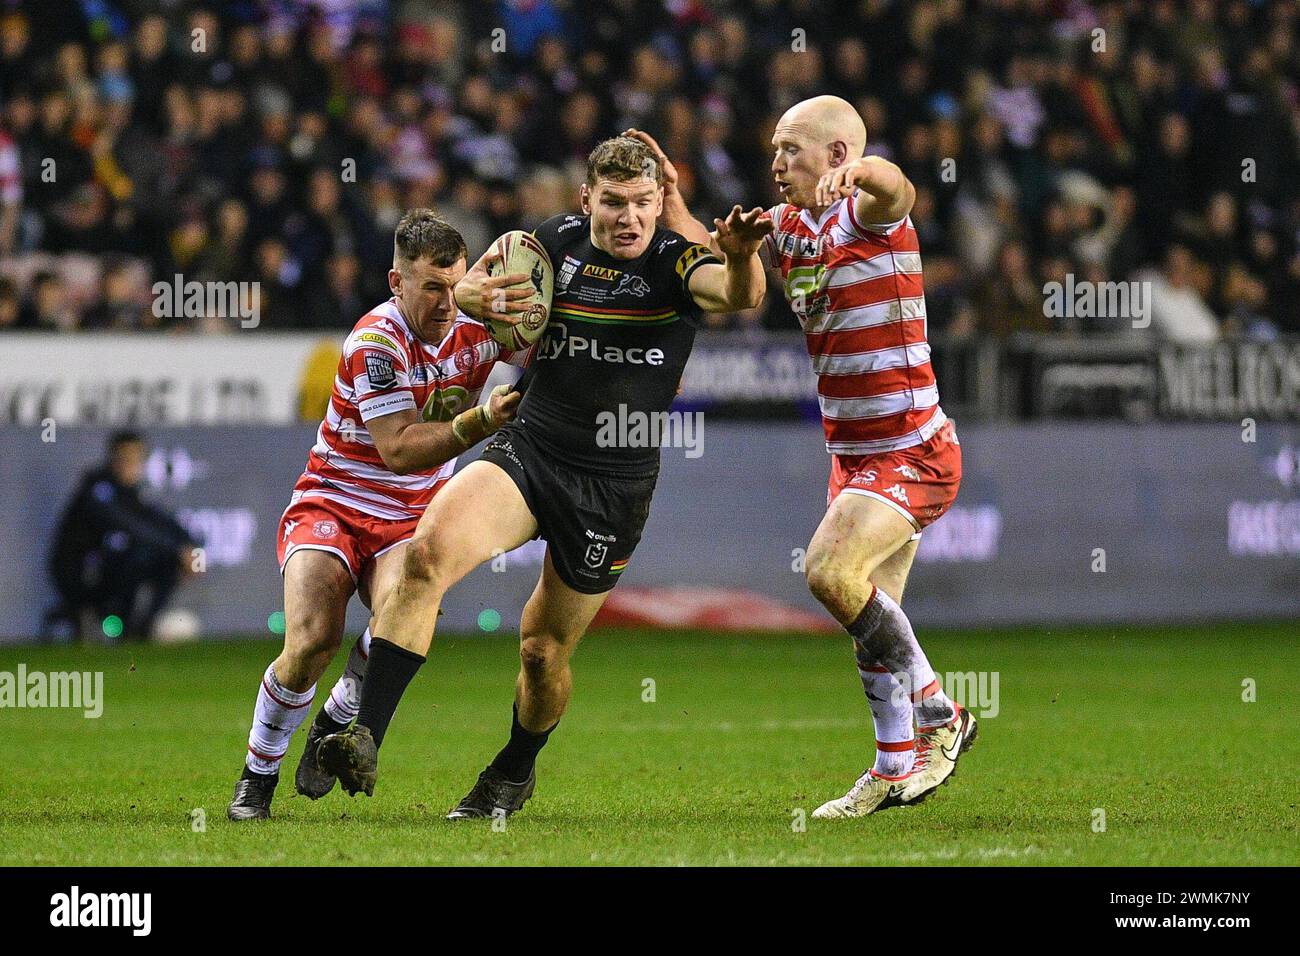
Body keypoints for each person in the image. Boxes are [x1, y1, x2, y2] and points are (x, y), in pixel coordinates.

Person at [316, 135, 771, 818]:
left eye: (643, 203)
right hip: (532, 445)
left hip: (613, 485)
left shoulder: (678, 262)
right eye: (613, 202)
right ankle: (364, 737)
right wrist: (471, 290)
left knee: (541, 649)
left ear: (657, 204)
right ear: (586, 199)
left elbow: (738, 294)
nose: (628, 217)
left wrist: (738, 254)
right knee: (427, 555)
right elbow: (480, 278)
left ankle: (512, 770)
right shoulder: (554, 241)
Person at [630, 94, 977, 818]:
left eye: (793, 149)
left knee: (827, 571)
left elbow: (898, 188)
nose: (777, 162)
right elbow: (715, 253)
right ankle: (892, 766)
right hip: (854, 458)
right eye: (776, 149)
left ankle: (942, 711)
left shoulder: (869, 215)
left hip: (912, 450)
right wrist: (678, 205)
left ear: (838, 156)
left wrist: (865, 176)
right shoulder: (788, 227)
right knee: (869, 617)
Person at [226, 210, 531, 821]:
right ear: (397, 284)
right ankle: (256, 780)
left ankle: (335, 722)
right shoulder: (376, 342)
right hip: (334, 501)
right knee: (313, 639)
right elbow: (396, 448)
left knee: (402, 616)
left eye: (455, 286)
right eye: (431, 289)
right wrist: (480, 422)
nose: (446, 304)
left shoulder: (482, 326)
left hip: (413, 515)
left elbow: (551, 339)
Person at [49, 431, 199, 642]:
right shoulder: (98, 490)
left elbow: (163, 522)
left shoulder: (131, 494)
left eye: (136, 459)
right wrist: (177, 550)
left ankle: (142, 630)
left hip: (110, 570)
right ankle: (105, 622)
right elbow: (131, 526)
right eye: (124, 458)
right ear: (112, 459)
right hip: (80, 572)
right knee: (142, 552)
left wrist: (190, 547)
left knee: (165, 560)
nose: (130, 465)